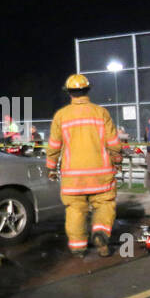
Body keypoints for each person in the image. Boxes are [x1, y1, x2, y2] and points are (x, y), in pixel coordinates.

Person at [46, 73, 123, 256]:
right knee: (105, 204)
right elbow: (113, 142)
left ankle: (78, 247)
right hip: (101, 174)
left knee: (75, 210)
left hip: (73, 177)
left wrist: (51, 168)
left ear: (69, 93)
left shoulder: (61, 116)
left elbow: (54, 145)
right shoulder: (100, 112)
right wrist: (117, 160)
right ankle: (101, 235)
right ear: (87, 90)